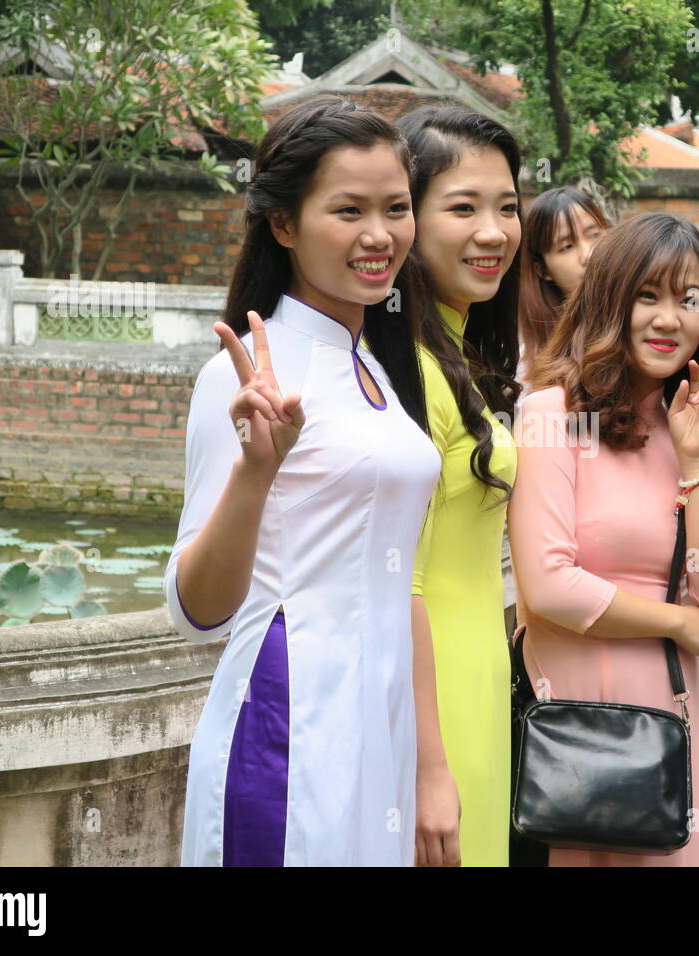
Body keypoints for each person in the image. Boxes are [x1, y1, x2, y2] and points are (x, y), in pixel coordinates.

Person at [165, 96, 457, 866]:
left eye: (397, 208)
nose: (379, 235)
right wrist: (256, 474)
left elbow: (404, 585)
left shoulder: (377, 369)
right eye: (348, 210)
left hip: (379, 720)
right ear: (284, 225)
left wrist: (430, 765)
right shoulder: (245, 380)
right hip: (288, 722)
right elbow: (198, 609)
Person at [509, 212, 699, 866]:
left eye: (689, 299)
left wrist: (697, 459)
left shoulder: (697, 425)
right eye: (648, 295)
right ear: (610, 298)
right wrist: (676, 620)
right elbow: (548, 583)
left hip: (669, 711)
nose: (668, 318)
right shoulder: (551, 415)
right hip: (575, 719)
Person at [396, 105, 523, 867]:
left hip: (477, 688)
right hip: (431, 711)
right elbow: (401, 583)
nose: (494, 231)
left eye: (507, 207)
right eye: (463, 207)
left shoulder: (453, 353)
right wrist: (426, 766)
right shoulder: (406, 370)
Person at [518, 184, 612, 391]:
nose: (588, 254)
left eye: (595, 235)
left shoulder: (643, 324)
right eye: (566, 246)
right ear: (542, 269)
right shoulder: (527, 367)